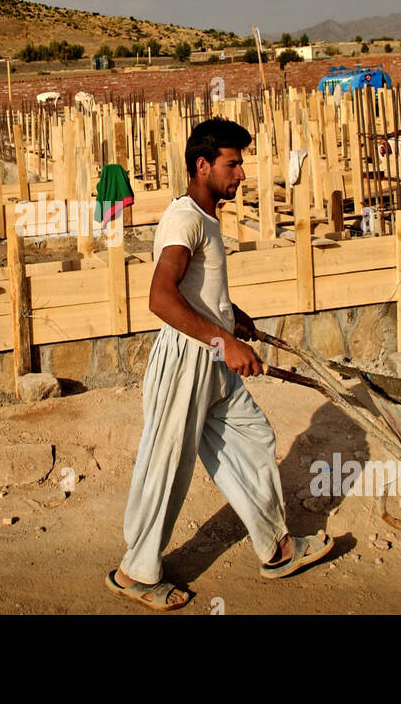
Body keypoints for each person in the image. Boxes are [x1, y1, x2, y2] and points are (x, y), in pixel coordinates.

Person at [107, 117, 333, 611]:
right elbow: (161, 298)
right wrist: (223, 342)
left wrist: (233, 320)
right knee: (167, 464)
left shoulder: (206, 217)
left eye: (242, 163)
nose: (242, 174)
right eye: (233, 164)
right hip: (187, 358)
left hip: (211, 353)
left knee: (252, 442)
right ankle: (135, 573)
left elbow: (196, 292)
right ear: (203, 165)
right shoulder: (185, 218)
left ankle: (276, 548)